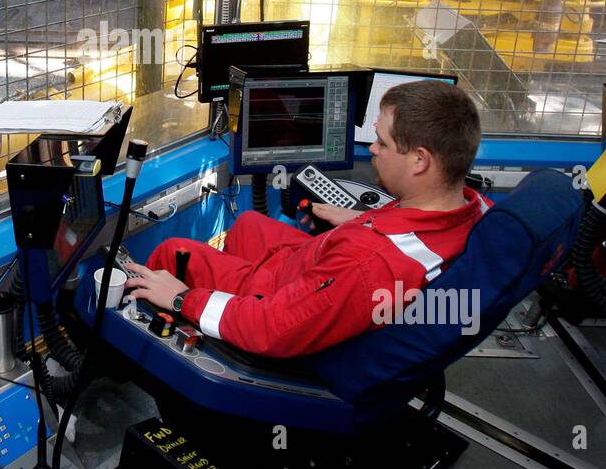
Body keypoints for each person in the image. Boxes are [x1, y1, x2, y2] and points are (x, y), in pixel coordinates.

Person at [124, 80, 489, 357]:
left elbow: (273, 328)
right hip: (314, 266)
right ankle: (229, 284)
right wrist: (357, 221)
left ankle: (137, 350)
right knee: (250, 225)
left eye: (382, 142)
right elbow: (403, 242)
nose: (373, 150)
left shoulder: (366, 263)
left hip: (284, 299)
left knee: (172, 253)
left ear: (420, 161)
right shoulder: (475, 209)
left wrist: (181, 299)